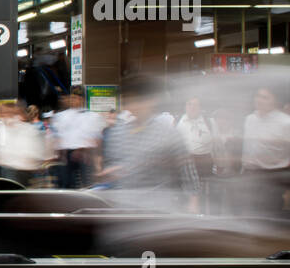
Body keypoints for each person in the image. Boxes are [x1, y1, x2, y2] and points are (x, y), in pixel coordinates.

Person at [99, 76, 199, 212]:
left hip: (158, 209)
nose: (133, 107)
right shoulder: (118, 132)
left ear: (150, 101)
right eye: (128, 101)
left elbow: (187, 170)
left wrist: (193, 203)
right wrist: (112, 172)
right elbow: (115, 166)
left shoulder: (167, 132)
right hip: (124, 208)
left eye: (137, 101)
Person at [241, 87, 290, 215]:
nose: (259, 100)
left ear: (275, 101)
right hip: (250, 174)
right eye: (258, 96)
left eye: (265, 97)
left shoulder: (288, 122)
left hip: (273, 176)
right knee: (250, 214)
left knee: (269, 215)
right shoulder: (249, 119)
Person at [48, 92, 105, 188]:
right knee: (67, 184)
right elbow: (57, 137)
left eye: (76, 98)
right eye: (71, 98)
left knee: (87, 184)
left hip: (86, 154)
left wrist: (96, 159)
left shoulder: (92, 116)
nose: (73, 100)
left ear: (82, 99)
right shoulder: (61, 116)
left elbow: (97, 138)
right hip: (67, 154)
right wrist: (60, 154)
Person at [176, 96, 215, 212]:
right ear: (185, 106)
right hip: (182, 167)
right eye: (189, 104)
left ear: (200, 107)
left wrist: (221, 166)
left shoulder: (210, 122)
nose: (192, 107)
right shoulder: (177, 122)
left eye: (195, 105)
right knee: (183, 200)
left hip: (203, 167)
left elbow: (218, 146)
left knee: (202, 200)